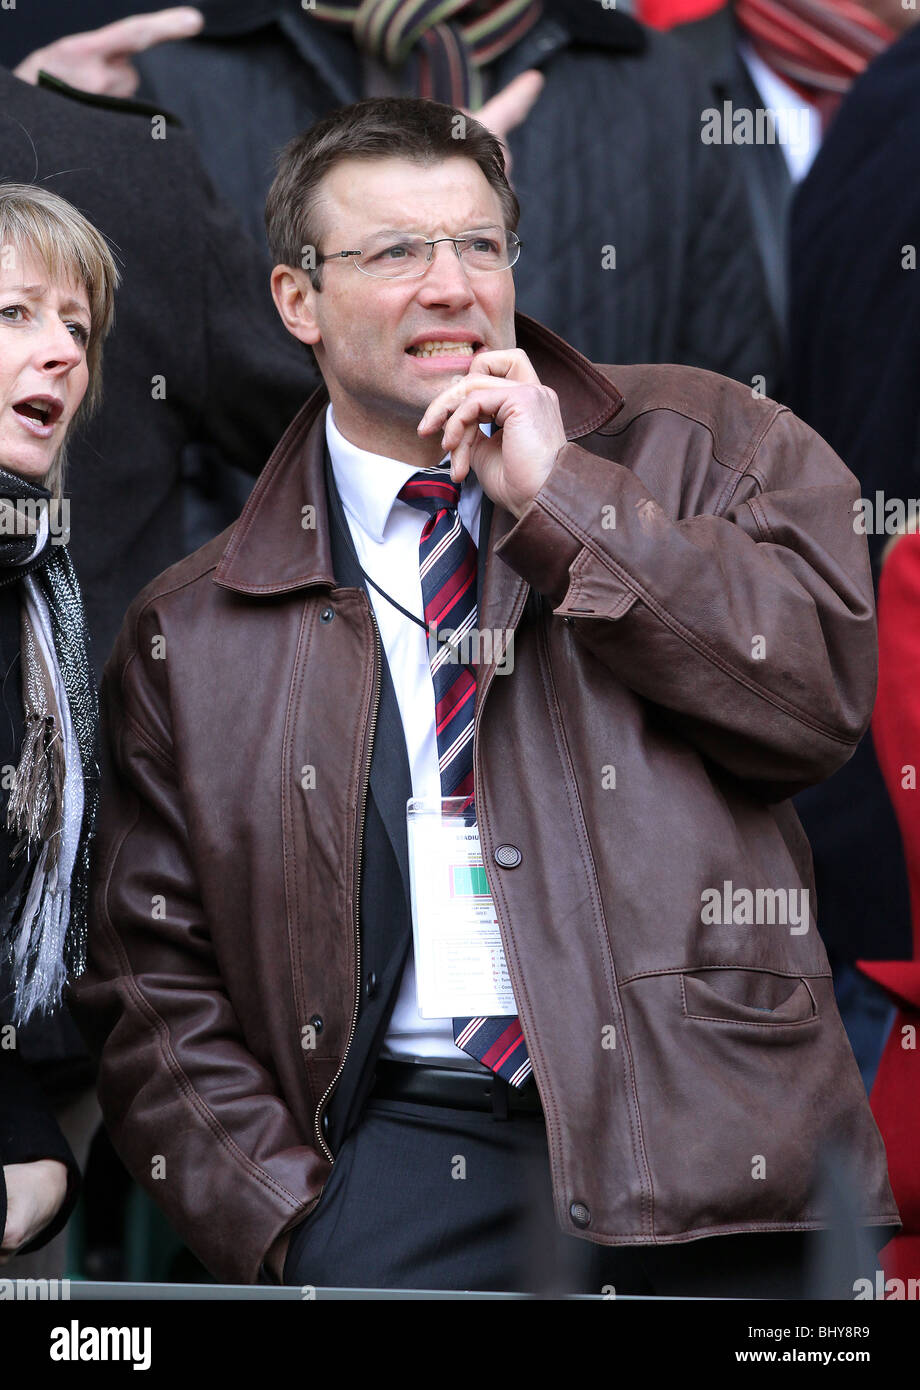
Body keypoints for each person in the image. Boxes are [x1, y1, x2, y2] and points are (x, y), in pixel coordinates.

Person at [70, 97, 898, 1297]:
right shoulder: (196, 625)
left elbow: (812, 700)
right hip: (394, 1161)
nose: (449, 285)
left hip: (721, 1146)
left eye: (477, 245)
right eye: (394, 251)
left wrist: (562, 498)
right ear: (294, 301)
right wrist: (290, 1220)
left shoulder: (706, 444)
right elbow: (149, 984)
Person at [16, 0, 783, 396]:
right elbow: (138, 413)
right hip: (282, 642)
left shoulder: (659, 86)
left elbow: (718, 407)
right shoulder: (177, 75)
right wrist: (37, 142)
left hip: (584, 628)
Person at [0, 183, 119, 1262]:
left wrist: (31, 1147)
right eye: (15, 315)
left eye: (76, 326)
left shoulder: (38, 584)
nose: (62, 352)